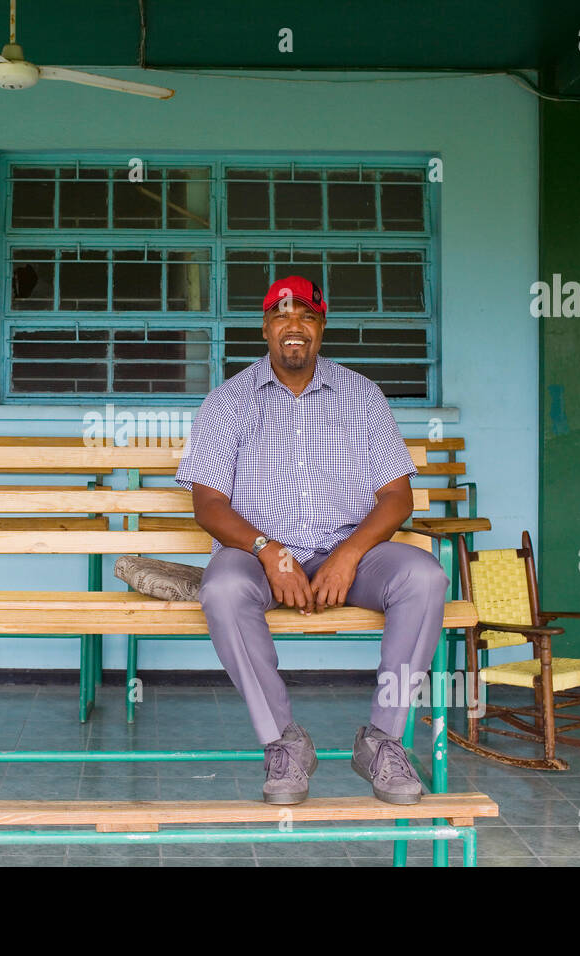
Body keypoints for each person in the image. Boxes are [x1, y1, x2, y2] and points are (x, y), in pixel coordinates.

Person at [175, 277, 448, 806]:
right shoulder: (227, 400)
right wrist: (268, 550)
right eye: (281, 315)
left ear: (321, 327)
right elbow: (208, 505)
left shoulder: (361, 394)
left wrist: (348, 555)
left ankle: (382, 741)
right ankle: (284, 742)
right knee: (223, 590)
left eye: (306, 315)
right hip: (256, 556)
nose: (293, 325)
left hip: (348, 553)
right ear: (265, 327)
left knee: (425, 575)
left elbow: (396, 499)